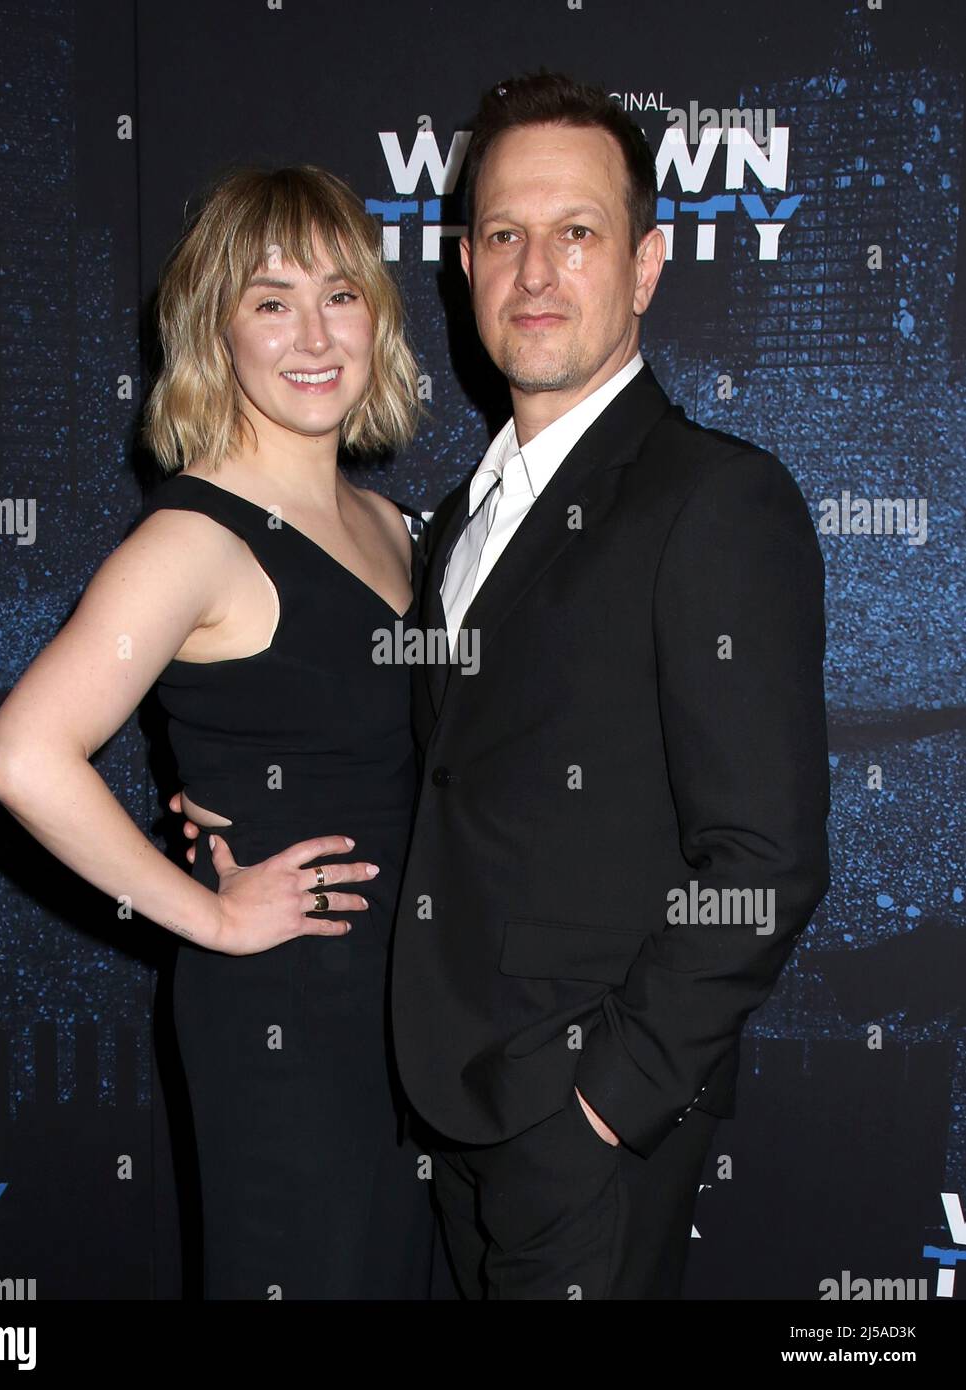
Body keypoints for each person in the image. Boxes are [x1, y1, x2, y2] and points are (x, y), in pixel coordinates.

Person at [387, 72, 831, 1299]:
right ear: (464, 262)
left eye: (575, 233)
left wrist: (600, 1103)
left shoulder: (712, 501)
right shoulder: (456, 524)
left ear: (644, 266)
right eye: (504, 236)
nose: (534, 272)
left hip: (579, 1136)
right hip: (447, 1109)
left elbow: (763, 861)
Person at [0, 164, 435, 1299]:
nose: (314, 332)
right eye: (270, 300)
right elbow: (21, 758)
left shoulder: (392, 523)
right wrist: (214, 919)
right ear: (213, 331)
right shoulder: (193, 536)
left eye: (340, 292)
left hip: (416, 1010)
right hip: (287, 1016)